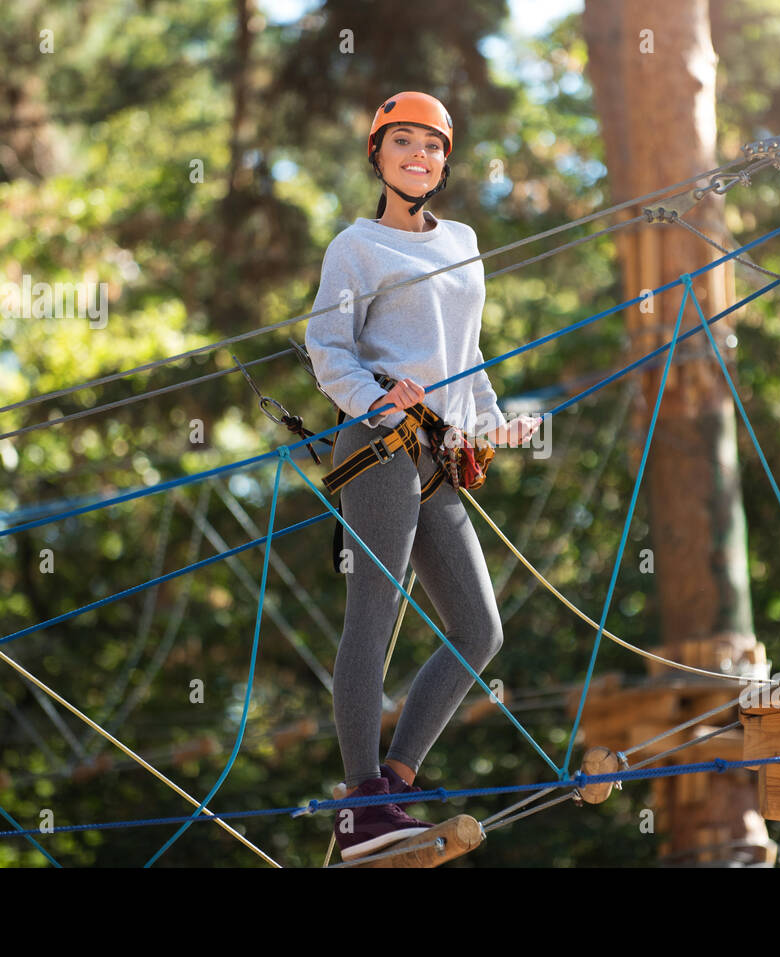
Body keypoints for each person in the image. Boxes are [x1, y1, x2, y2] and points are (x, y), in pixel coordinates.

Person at [304, 91, 542, 861]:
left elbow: (465, 359)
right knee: (375, 610)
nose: (419, 155)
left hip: (438, 450)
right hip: (377, 443)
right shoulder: (355, 246)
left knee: (479, 628)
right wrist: (375, 397)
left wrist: (491, 421)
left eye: (433, 145)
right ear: (377, 155)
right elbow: (327, 347)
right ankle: (360, 798)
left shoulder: (464, 242)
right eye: (402, 142)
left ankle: (396, 781)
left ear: (444, 161)